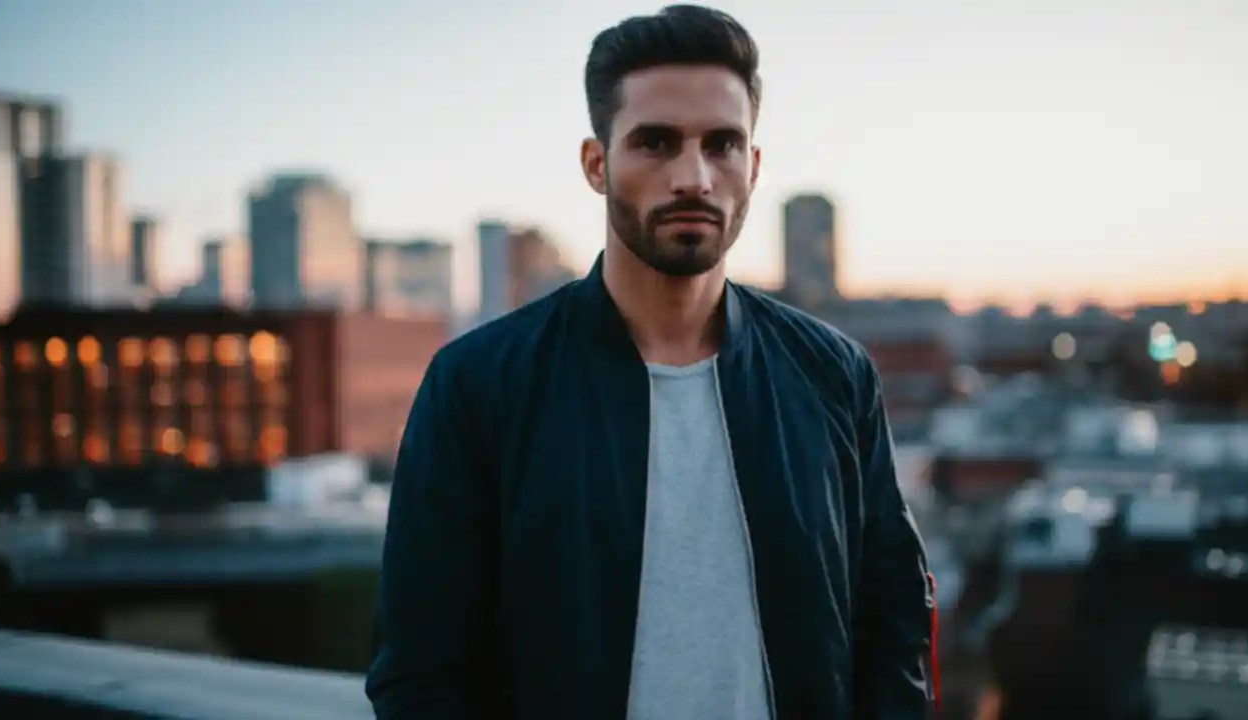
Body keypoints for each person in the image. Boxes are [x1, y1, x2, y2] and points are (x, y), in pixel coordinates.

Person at [366, 5, 936, 719]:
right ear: (597, 164)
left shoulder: (832, 376)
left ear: (753, 167)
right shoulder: (479, 385)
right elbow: (421, 671)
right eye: (656, 143)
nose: (693, 176)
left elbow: (892, 624)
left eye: (722, 144)